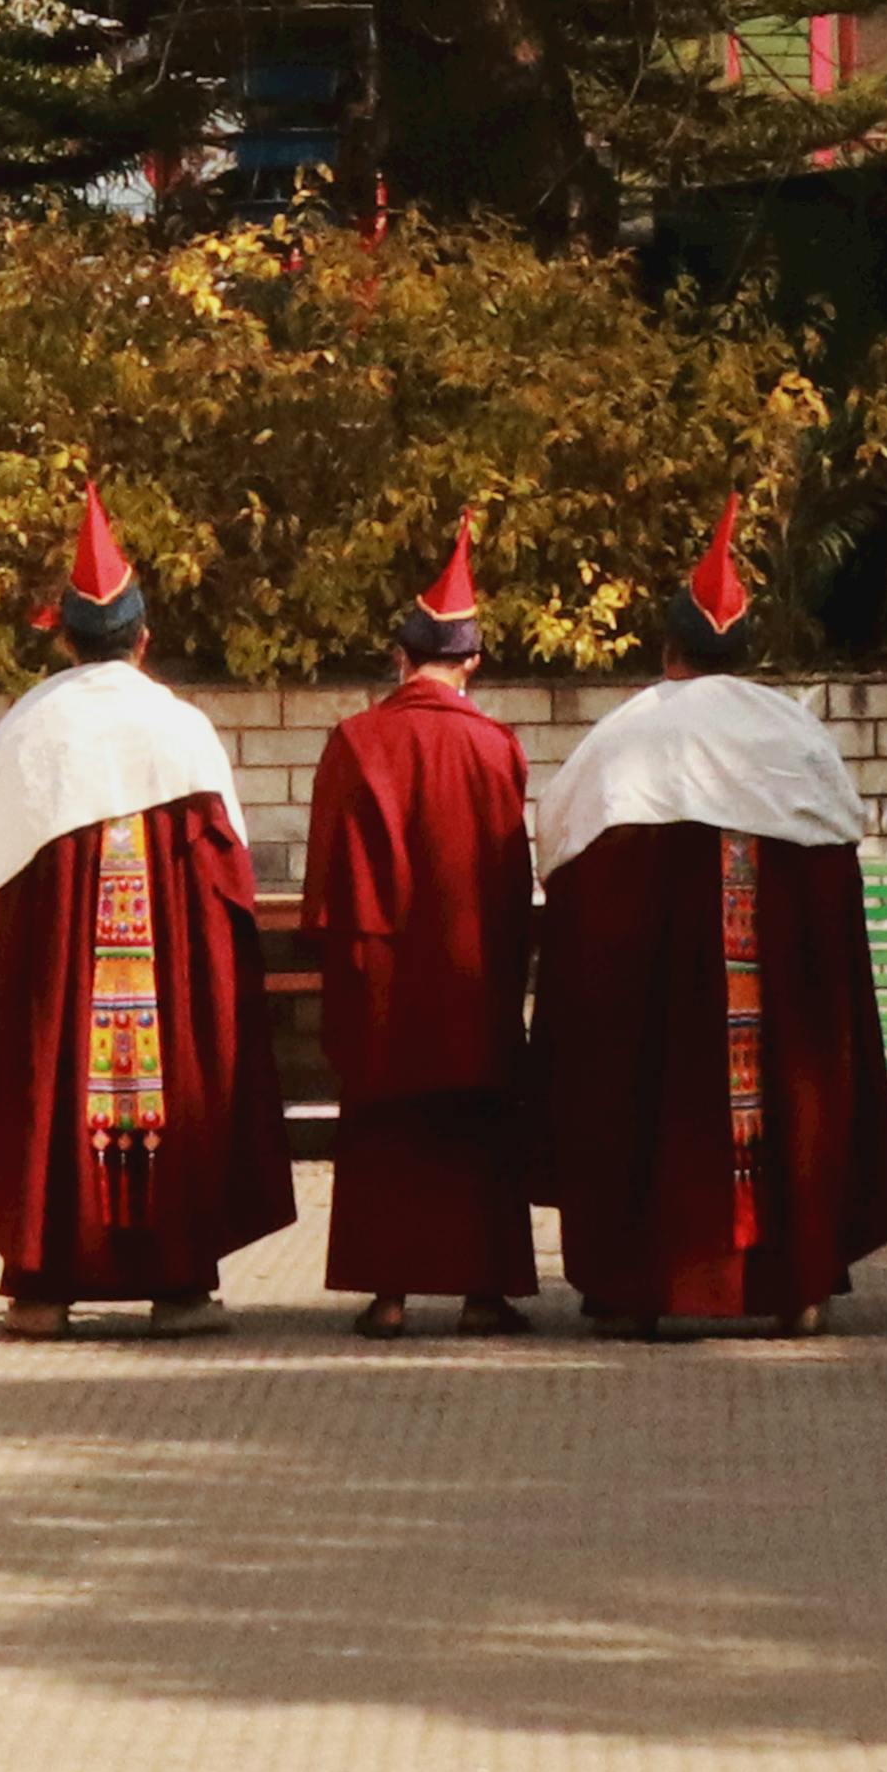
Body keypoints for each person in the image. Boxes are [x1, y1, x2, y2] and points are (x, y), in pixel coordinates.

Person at [519, 498, 887, 1337]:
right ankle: (795, 1279)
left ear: (669, 652)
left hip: (664, 998)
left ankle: (640, 1285)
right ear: (745, 650)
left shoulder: (623, 738)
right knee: (781, 1088)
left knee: (646, 1094)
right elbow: (836, 870)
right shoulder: (796, 738)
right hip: (771, 993)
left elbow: (560, 849)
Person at [0, 486, 292, 1333]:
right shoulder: (180, 728)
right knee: (170, 1071)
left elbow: (6, 882)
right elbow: (225, 871)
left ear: (64, 639)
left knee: (54, 1070)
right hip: (158, 967)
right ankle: (176, 1285)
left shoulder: (28, 728)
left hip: (62, 964)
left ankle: (41, 1286)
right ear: (144, 640)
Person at [296, 527, 540, 1337]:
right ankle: (482, 1292)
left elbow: (328, 874)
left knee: (387, 1126)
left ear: (402, 653)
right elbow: (511, 874)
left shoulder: (356, 740)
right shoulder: (496, 746)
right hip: (472, 973)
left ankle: (389, 1295)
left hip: (385, 975)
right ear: (472, 661)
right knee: (477, 1123)